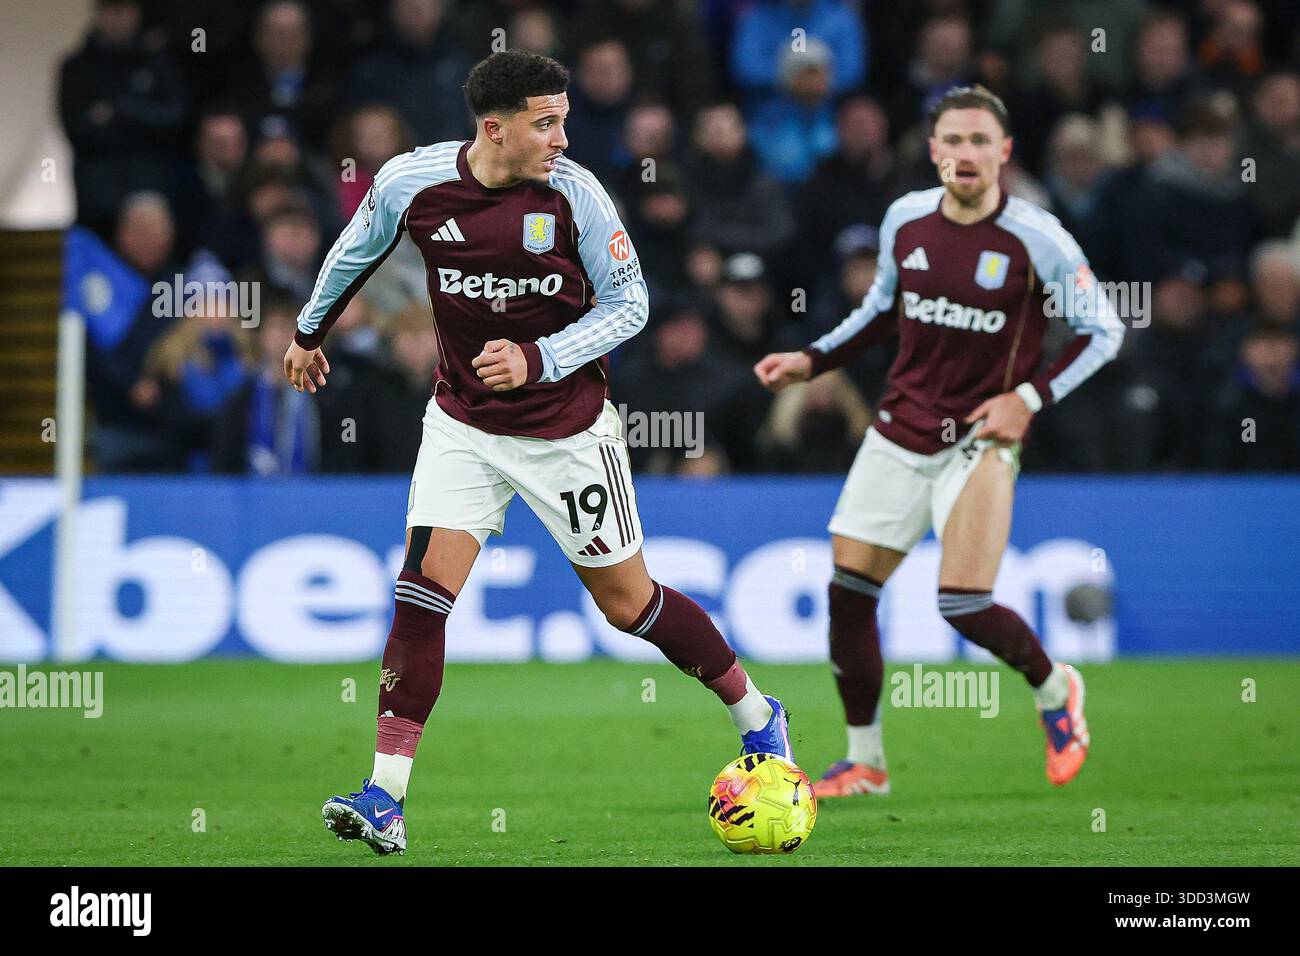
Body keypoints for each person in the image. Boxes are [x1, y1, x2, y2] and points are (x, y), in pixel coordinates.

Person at [284, 51, 796, 855]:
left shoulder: (577, 195)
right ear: (494, 128)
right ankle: (385, 796)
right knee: (420, 597)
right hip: (463, 425)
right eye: (545, 122)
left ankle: (758, 714)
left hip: (568, 431)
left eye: (564, 118)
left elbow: (632, 304)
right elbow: (357, 248)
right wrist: (308, 333)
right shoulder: (412, 184)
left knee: (629, 605)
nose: (562, 136)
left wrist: (541, 357)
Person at [754, 85, 1125, 796]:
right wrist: (812, 360)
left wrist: (1028, 396)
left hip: (980, 438)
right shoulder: (905, 219)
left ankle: (1055, 690)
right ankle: (865, 762)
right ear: (932, 150)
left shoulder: (1037, 238)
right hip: (898, 430)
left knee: (962, 601)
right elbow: (881, 310)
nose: (964, 153)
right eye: (952, 140)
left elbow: (1103, 329)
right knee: (849, 593)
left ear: (1005, 153)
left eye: (980, 141)